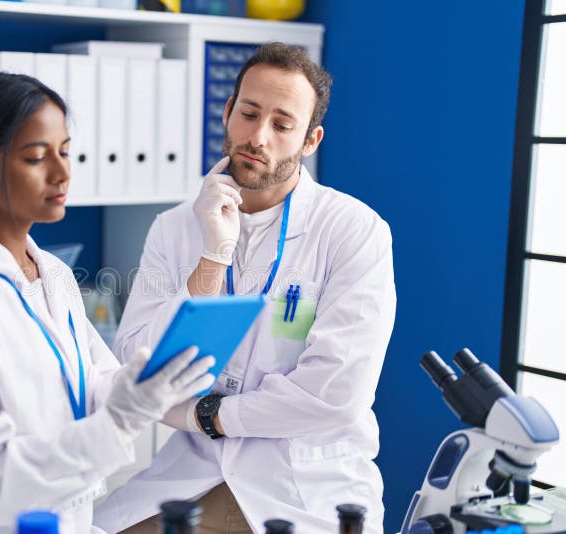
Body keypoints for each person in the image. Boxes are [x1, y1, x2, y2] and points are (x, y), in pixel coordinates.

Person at [0, 72, 216, 534]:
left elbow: (93, 381)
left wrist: (142, 384)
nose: (62, 173)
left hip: (58, 518)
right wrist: (118, 422)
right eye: (37, 157)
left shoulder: (53, 274)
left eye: (65, 151)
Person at [94, 43, 396, 533]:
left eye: (282, 125)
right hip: (191, 477)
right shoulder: (174, 228)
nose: (258, 137)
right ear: (228, 113)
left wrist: (206, 415)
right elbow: (137, 366)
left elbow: (334, 394)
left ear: (310, 140)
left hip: (303, 487)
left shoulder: (354, 231)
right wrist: (212, 255)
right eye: (249, 114)